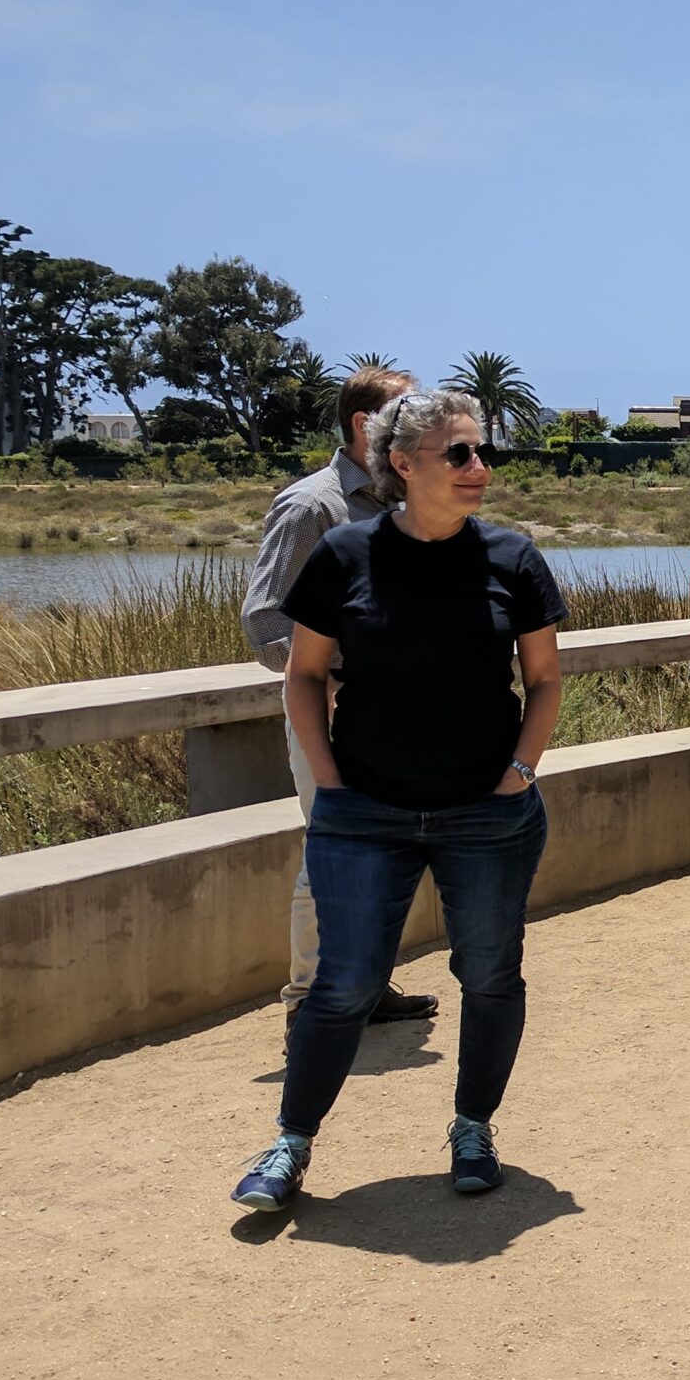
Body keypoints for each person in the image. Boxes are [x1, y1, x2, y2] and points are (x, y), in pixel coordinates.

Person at [231, 389, 567, 1212]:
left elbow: (547, 679)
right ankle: (290, 1143)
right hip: (365, 812)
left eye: (483, 453)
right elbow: (304, 674)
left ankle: (472, 1126)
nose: (479, 468)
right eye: (459, 454)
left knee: (489, 974)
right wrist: (331, 780)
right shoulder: (344, 555)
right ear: (403, 463)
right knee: (342, 985)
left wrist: (517, 774)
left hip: (487, 815)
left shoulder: (513, 558)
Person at [240, 362, 437, 1028]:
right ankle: (307, 1004)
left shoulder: (401, 503)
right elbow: (267, 621)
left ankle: (366, 988)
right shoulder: (311, 506)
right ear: (364, 425)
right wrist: (322, 684)